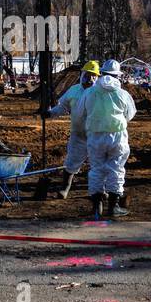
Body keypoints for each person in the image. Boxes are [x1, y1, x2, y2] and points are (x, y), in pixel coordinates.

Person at [73, 59, 138, 218]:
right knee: (116, 169)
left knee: (96, 169)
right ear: (117, 76)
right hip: (117, 136)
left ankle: (97, 207)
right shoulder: (123, 94)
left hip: (95, 135)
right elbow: (130, 115)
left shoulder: (89, 92)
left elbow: (80, 113)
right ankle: (114, 206)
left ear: (101, 73)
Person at [45, 60, 100, 199]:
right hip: (78, 135)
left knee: (99, 164)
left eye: (94, 76)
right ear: (82, 75)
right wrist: (50, 113)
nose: (90, 78)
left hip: (97, 135)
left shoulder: (101, 93)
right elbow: (63, 106)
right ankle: (65, 188)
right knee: (71, 162)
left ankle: (100, 191)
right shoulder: (74, 91)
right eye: (88, 75)